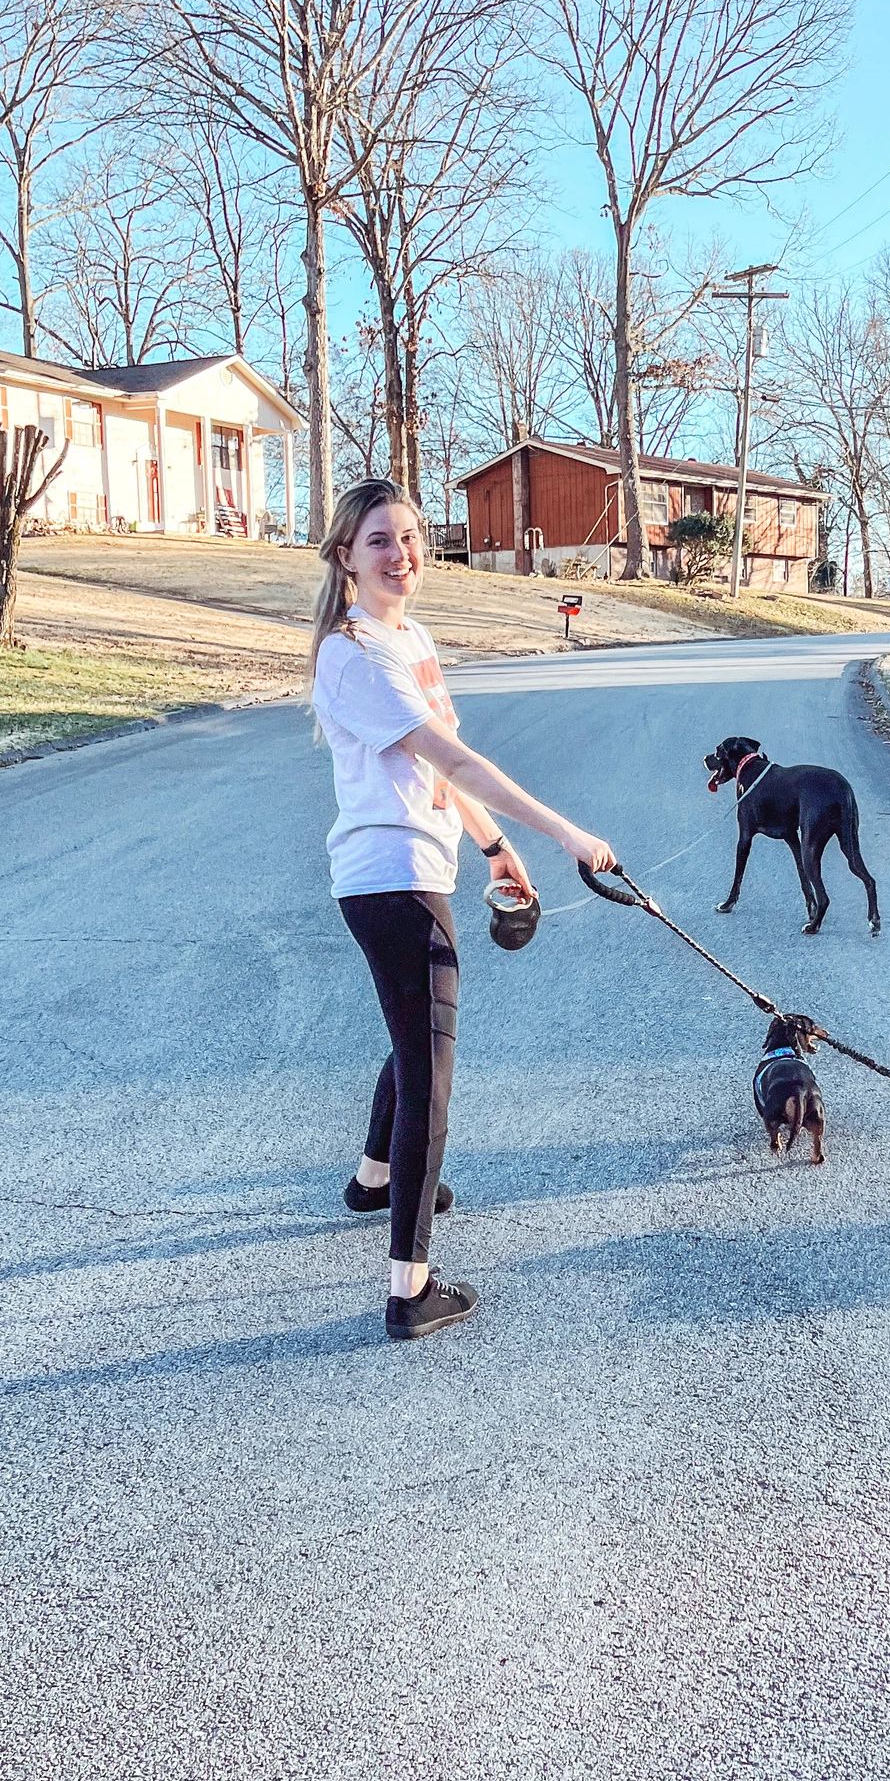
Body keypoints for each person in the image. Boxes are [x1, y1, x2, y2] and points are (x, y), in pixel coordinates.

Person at [309, 479, 615, 1342]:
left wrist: (492, 843)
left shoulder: (409, 639)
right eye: (379, 540)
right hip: (390, 878)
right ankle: (410, 1290)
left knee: (416, 1034)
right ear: (345, 556)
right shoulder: (353, 654)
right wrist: (564, 832)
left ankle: (375, 1179)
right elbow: (455, 758)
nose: (401, 553)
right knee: (430, 1074)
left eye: (409, 536)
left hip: (417, 868)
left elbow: (440, 771)